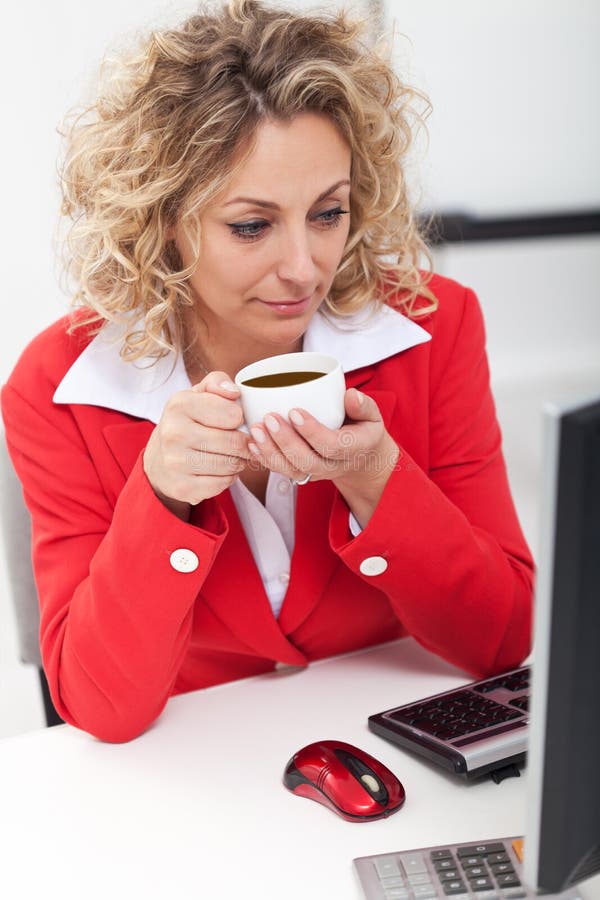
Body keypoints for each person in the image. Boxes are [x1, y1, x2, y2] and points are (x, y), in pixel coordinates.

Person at [1, 0, 533, 744]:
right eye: (251, 225)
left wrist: (379, 477)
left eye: (328, 213)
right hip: (194, 780)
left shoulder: (436, 329)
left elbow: (503, 640)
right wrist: (160, 499)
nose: (303, 267)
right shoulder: (60, 388)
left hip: (385, 754)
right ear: (163, 218)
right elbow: (99, 707)